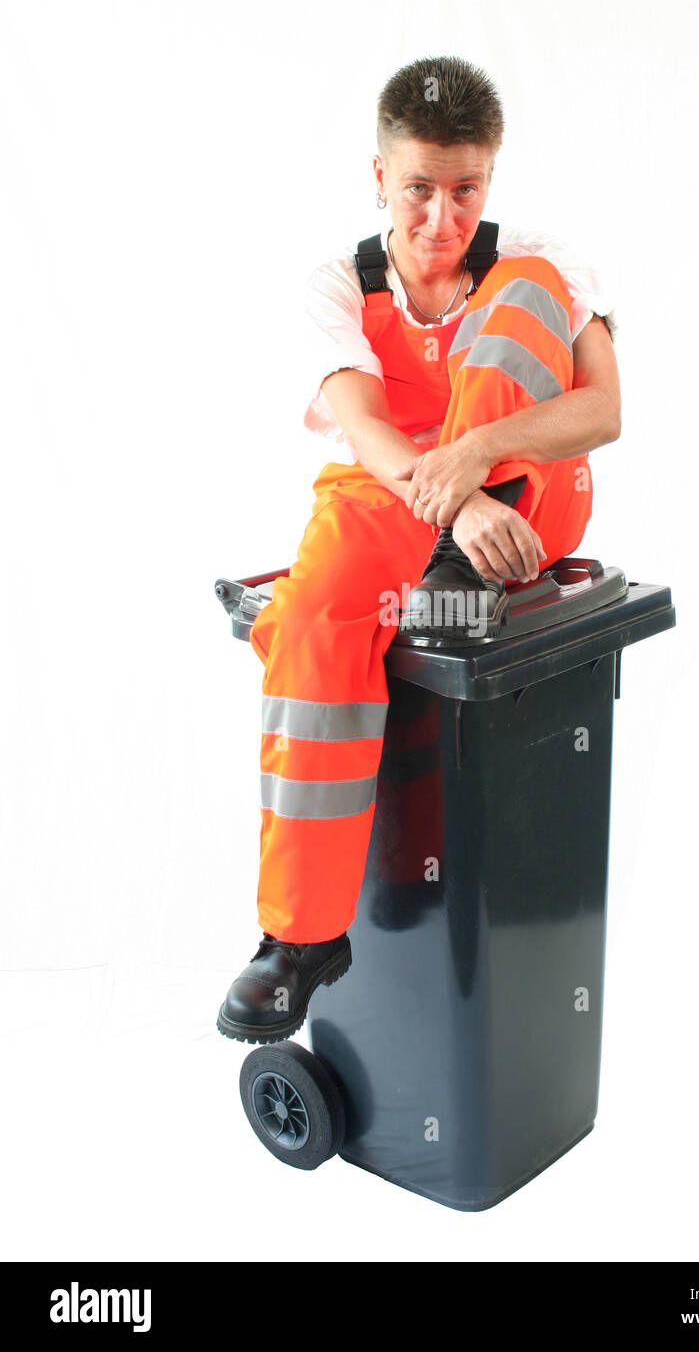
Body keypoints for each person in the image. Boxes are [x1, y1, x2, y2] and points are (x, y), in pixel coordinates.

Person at [217, 55, 621, 1043]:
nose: (442, 219)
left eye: (465, 188)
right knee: (308, 619)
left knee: (527, 287)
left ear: (489, 175)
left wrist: (481, 458)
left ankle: (457, 583)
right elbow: (367, 435)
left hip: (525, 491)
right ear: (377, 176)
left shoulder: (534, 257)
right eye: (417, 190)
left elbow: (601, 411)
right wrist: (449, 504)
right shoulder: (335, 288)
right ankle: (302, 937)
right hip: (399, 494)